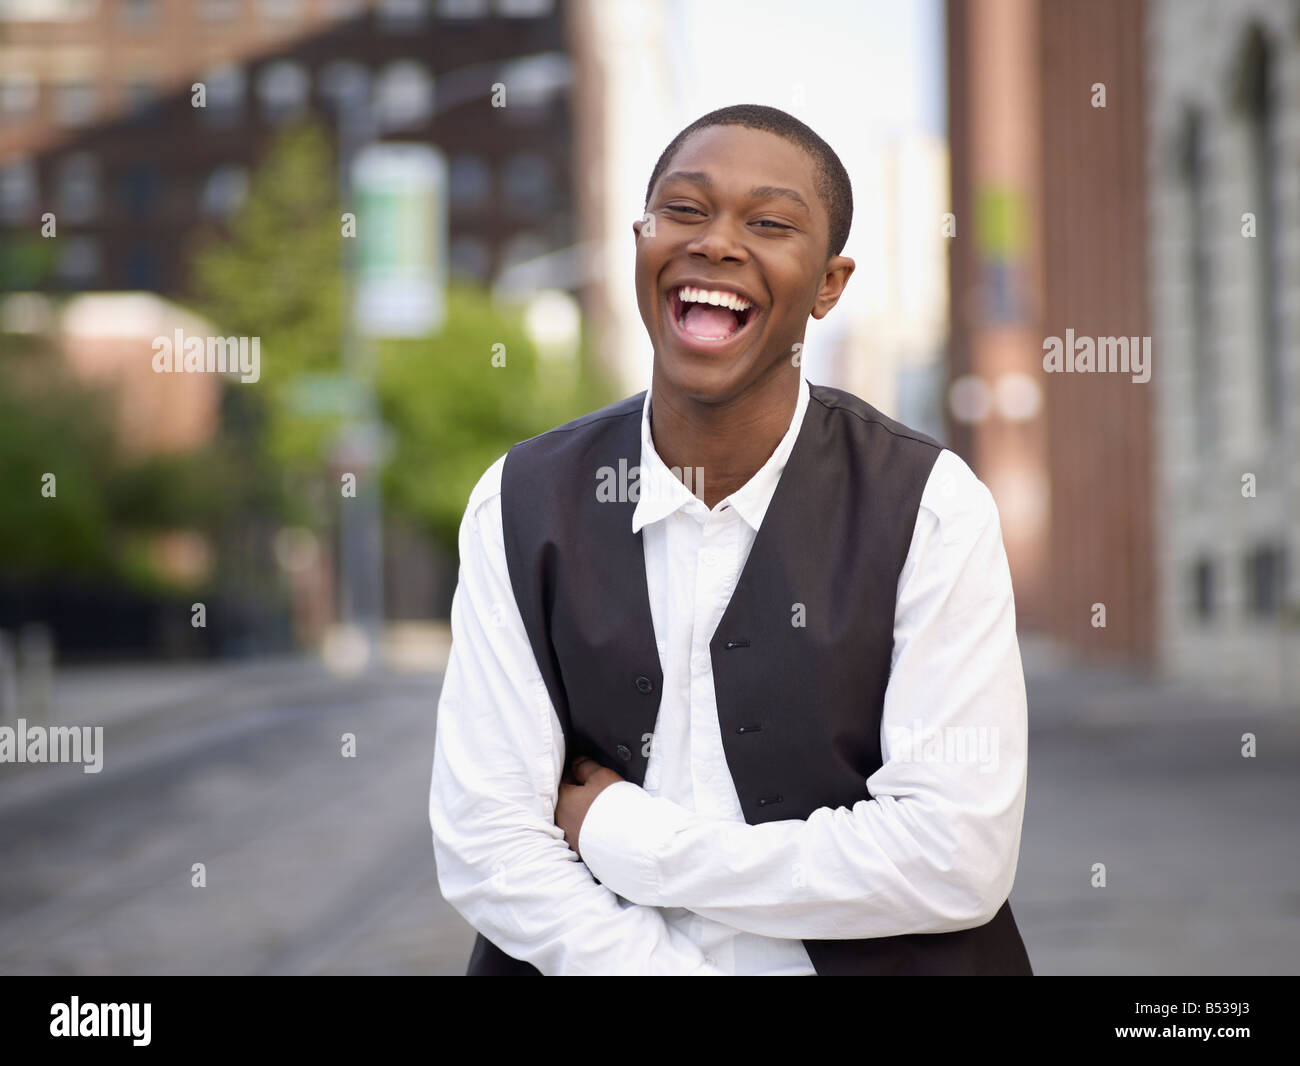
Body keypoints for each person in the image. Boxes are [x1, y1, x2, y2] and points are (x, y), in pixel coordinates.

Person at [429, 104, 1032, 976]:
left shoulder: (931, 506)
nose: (716, 242)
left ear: (829, 284)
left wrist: (637, 841)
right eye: (684, 209)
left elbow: (955, 854)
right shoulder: (520, 501)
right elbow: (488, 842)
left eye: (770, 223)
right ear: (639, 239)